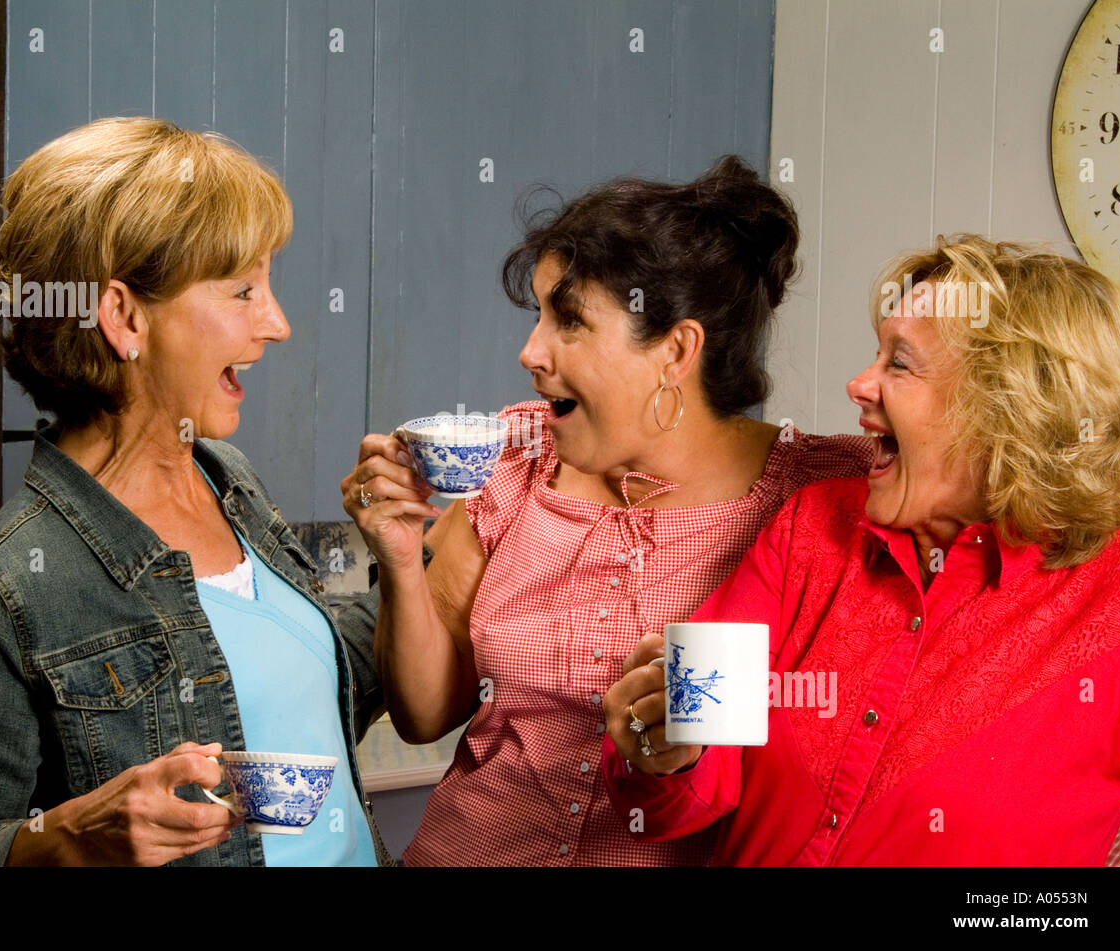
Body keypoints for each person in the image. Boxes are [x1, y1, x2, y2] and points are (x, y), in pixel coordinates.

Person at [341, 157, 874, 865]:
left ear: (676, 350)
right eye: (538, 317)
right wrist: (402, 559)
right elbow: (425, 714)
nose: (530, 352)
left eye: (570, 321)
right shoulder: (517, 456)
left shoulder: (825, 499)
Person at [0, 117, 386, 867]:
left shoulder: (228, 477)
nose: (278, 324)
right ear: (124, 316)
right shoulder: (9, 585)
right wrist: (67, 840)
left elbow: (296, 692)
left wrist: (430, 554)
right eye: (243, 290)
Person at [601, 234, 1120, 865]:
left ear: (1009, 406)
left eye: (900, 364)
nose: (858, 384)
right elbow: (678, 796)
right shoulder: (810, 527)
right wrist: (667, 752)